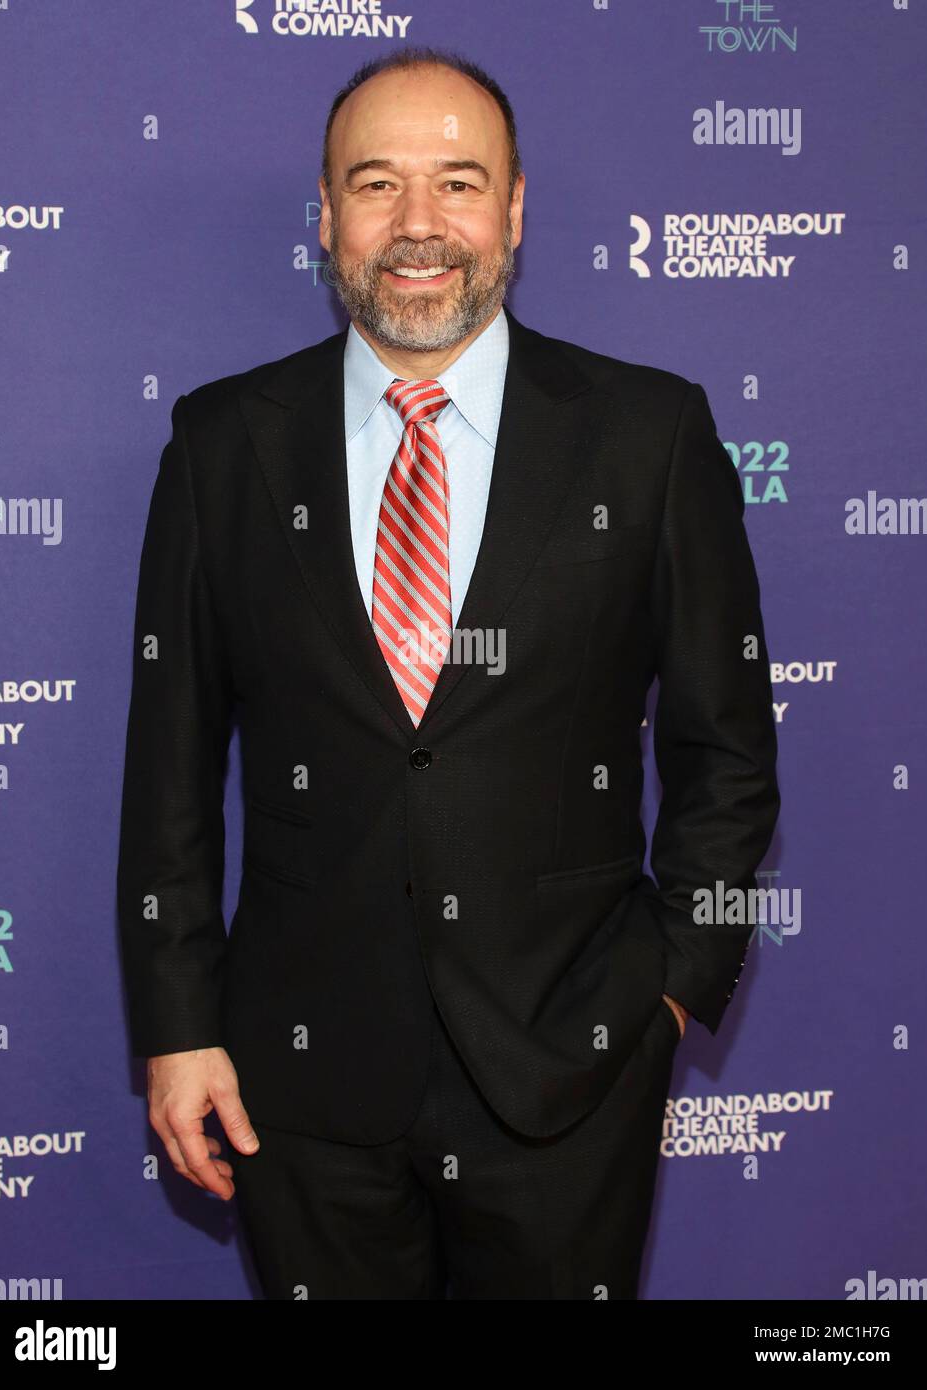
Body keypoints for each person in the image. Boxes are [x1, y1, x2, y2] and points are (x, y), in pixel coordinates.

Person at [116, 46, 780, 1300]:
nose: (419, 226)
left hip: (570, 1070)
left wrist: (671, 996)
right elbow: (171, 771)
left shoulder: (649, 437)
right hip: (298, 1084)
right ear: (326, 216)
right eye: (376, 184)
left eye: (458, 183)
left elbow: (728, 754)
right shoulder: (220, 445)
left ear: (515, 209)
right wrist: (177, 1025)